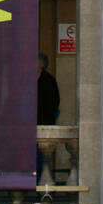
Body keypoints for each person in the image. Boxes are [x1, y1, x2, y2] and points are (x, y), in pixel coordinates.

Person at [35, 53, 60, 183]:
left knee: (42, 155)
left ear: (40, 65)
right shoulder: (27, 78)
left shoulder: (49, 81)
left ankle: (41, 180)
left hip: (43, 123)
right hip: (27, 123)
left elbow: (53, 103)